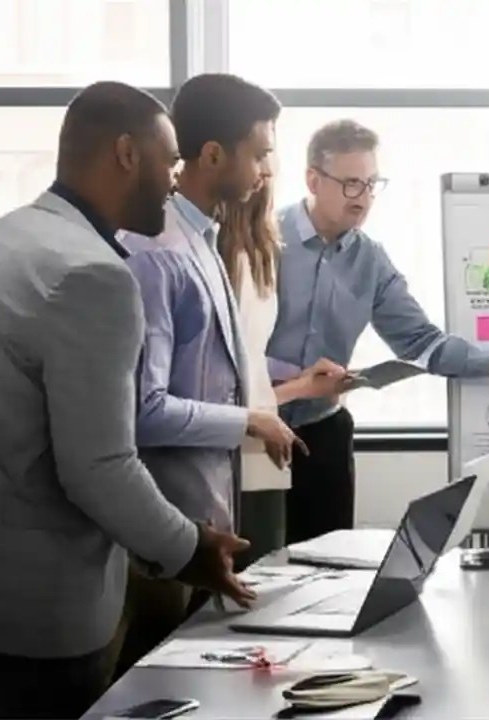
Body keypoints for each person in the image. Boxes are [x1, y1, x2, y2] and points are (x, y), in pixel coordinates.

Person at [0, 82, 254, 720]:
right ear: (126, 153)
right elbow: (99, 467)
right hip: (50, 605)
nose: (174, 183)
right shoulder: (93, 276)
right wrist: (192, 547)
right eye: (168, 161)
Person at [267, 119, 489, 545]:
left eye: (372, 184)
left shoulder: (370, 260)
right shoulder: (263, 238)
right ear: (313, 180)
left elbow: (420, 342)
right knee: (257, 576)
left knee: (326, 569)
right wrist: (294, 383)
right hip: (257, 429)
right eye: (351, 184)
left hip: (324, 434)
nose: (364, 198)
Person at [114, 73, 299, 675]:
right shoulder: (159, 253)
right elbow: (144, 410)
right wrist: (249, 419)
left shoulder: (200, 240)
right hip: (159, 537)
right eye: (259, 153)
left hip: (198, 533)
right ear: (214, 154)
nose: (265, 170)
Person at [218, 180, 350, 568]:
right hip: (237, 454)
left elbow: (249, 365)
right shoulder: (225, 257)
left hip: (261, 455)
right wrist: (301, 388)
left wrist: (303, 381)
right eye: (261, 158)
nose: (262, 174)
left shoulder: (255, 254)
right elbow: (223, 387)